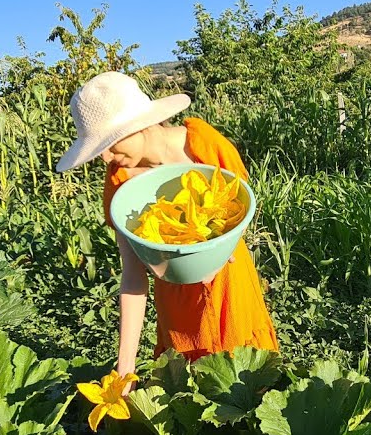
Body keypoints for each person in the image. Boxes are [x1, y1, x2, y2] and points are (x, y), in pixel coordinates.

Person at [56, 71, 278, 389]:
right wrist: (125, 369)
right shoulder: (120, 180)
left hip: (231, 287)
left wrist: (221, 250)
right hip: (177, 303)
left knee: (249, 382)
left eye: (109, 143)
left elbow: (238, 207)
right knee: (190, 398)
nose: (105, 157)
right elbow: (132, 275)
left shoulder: (203, 143)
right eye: (98, 149)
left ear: (141, 125)